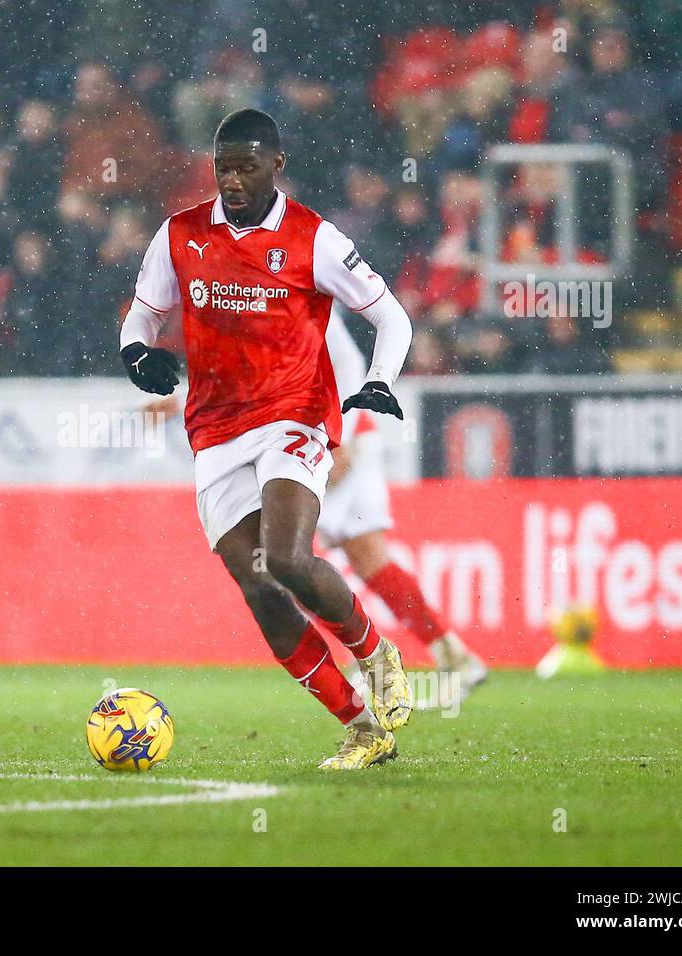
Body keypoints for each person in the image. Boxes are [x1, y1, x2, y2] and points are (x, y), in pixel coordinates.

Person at [118, 108, 415, 770]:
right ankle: (362, 727)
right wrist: (136, 356)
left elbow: (390, 317)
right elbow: (142, 315)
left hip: (294, 414)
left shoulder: (318, 239)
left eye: (247, 167)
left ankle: (375, 653)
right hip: (215, 429)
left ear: (276, 166)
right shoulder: (181, 235)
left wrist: (378, 381)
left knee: (284, 557)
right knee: (257, 586)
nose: (233, 181)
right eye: (223, 168)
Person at [320, 310, 488, 703]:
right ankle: (449, 656)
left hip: (341, 444)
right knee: (361, 562)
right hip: (313, 444)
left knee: (292, 561)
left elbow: (348, 361)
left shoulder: (291, 289)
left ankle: (375, 663)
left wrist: (341, 435)